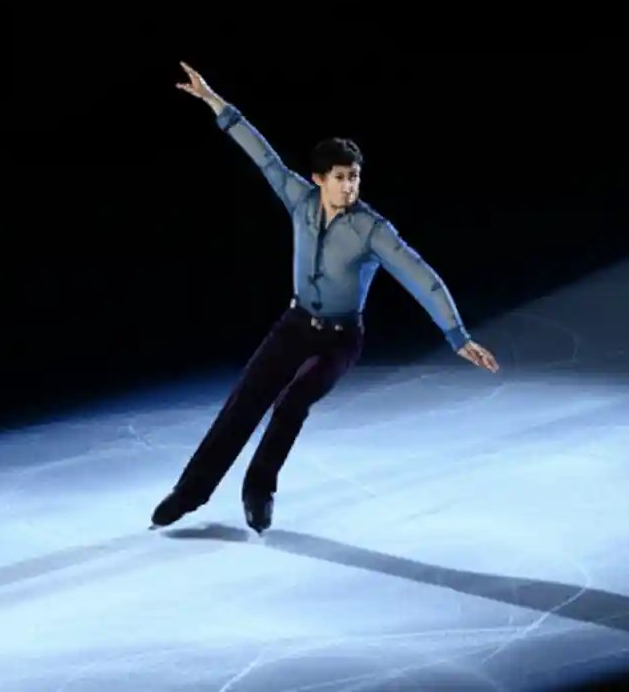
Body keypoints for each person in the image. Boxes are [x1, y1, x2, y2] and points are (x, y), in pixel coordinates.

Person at [151, 62, 500, 534]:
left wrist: (456, 335)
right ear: (319, 179)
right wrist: (215, 102)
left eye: (355, 176)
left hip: (341, 339)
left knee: (293, 401)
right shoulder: (298, 197)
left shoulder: (371, 228)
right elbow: (264, 157)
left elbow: (419, 274)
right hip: (294, 325)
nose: (350, 185)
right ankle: (189, 492)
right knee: (243, 403)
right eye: (341, 176)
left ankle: (259, 489)